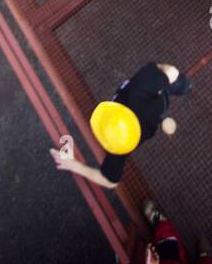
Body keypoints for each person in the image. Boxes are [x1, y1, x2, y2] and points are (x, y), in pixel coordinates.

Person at [50, 61, 191, 188]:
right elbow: (171, 72)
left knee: (171, 87)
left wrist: (74, 165)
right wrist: (73, 165)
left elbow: (110, 181)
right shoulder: (140, 87)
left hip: (151, 114)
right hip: (155, 110)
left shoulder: (119, 145)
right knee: (181, 85)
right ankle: (181, 89)